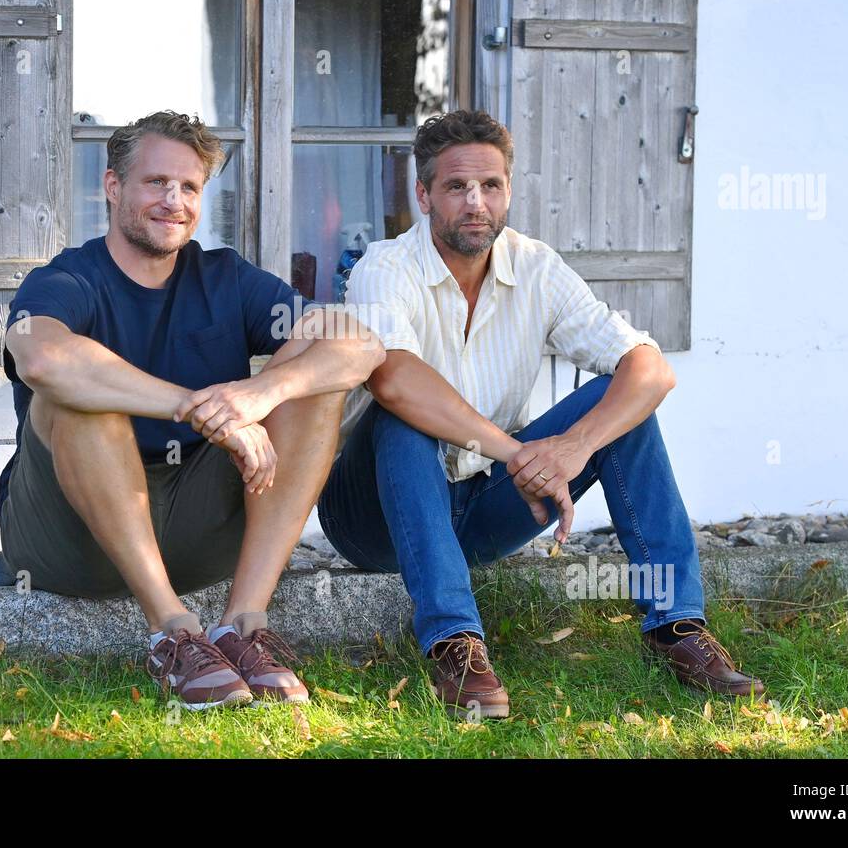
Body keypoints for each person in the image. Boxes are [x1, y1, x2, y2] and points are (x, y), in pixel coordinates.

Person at [318, 109, 765, 720]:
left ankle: (676, 629)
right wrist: (519, 452)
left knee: (623, 406)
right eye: (455, 187)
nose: (476, 203)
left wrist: (574, 447)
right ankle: (456, 644)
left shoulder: (535, 266)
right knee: (404, 416)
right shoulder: (386, 267)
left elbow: (652, 369)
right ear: (423, 195)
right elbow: (395, 381)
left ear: (508, 191)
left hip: (478, 510)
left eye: (491, 186)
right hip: (374, 517)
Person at [0, 110, 383, 710]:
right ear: (114, 187)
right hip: (70, 539)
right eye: (156, 183)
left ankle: (242, 625)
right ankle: (172, 633)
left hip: (195, 528)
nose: (173, 200)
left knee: (313, 383)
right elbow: (42, 360)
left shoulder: (223, 277)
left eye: (189, 187)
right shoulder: (68, 278)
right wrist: (192, 407)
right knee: (79, 399)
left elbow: (363, 346)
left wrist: (260, 394)